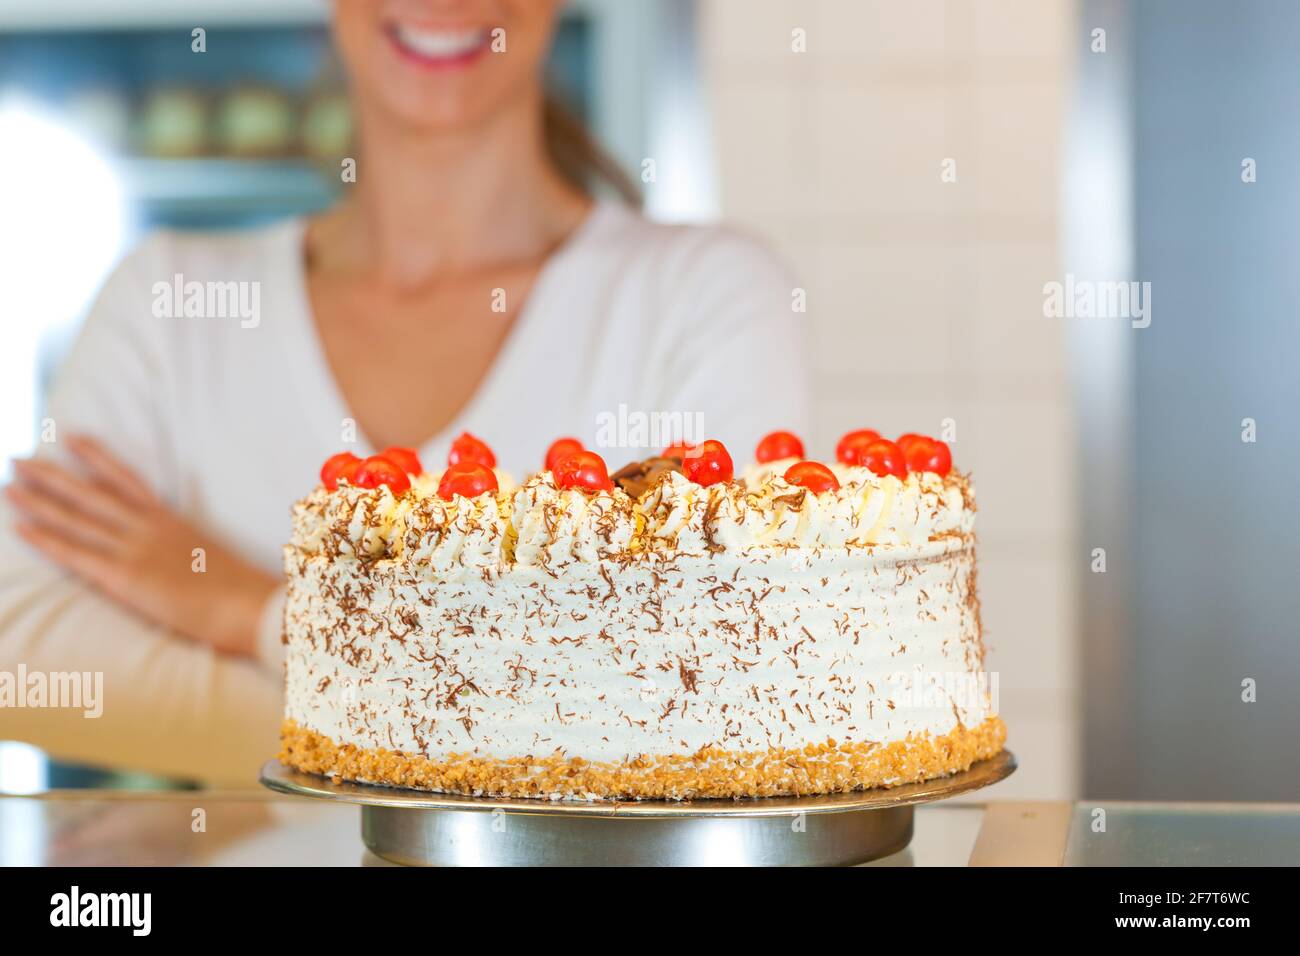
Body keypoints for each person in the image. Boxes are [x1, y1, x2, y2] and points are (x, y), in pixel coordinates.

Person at [0, 0, 808, 786]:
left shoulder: (706, 297)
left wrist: (251, 613)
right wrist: (479, 721)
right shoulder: (164, 302)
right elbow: (17, 655)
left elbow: (711, 687)